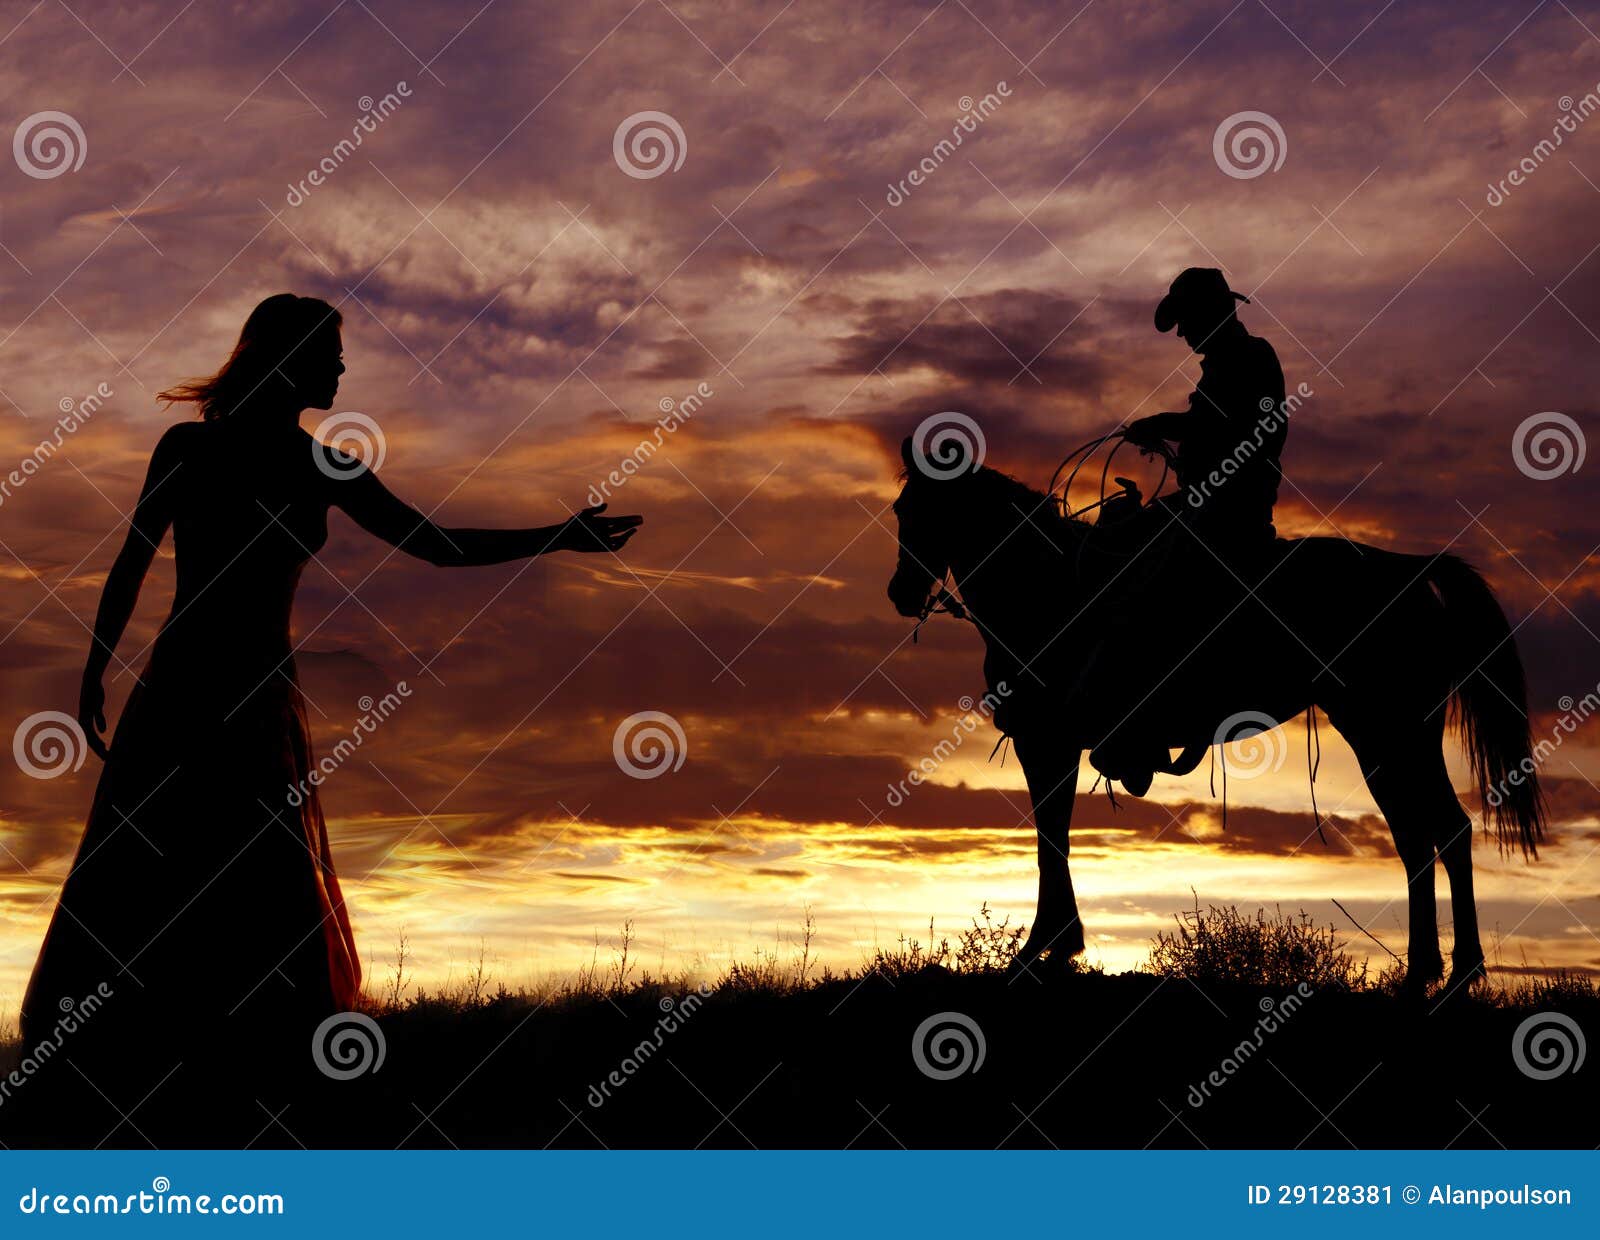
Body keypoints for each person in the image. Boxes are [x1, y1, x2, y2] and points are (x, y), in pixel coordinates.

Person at [19, 293, 640, 1132]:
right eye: (329, 356)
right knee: (169, 856)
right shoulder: (195, 448)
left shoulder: (322, 464)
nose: (343, 369)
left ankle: (236, 1066)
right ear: (289, 360)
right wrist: (96, 665)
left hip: (250, 689)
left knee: (241, 862)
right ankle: (150, 1067)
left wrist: (557, 535)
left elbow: (432, 542)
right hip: (194, 684)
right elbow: (132, 559)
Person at [1090, 269, 1288, 795]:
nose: (1181, 334)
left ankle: (1146, 726)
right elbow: (1216, 424)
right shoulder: (1227, 365)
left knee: (1150, 587)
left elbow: (1249, 427)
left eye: (1186, 321)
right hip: (1208, 501)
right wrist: (1174, 435)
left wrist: (1168, 426)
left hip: (1232, 510)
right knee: (1119, 530)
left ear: (1211, 314)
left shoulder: (1251, 358)